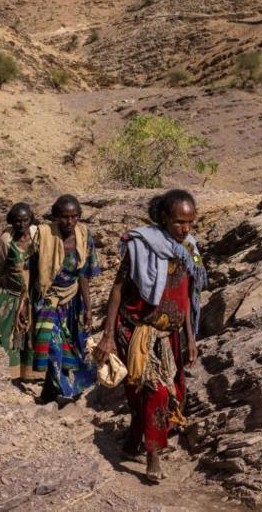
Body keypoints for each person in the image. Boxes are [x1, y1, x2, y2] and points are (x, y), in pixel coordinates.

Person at [95, 189, 207, 484]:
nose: (185, 229)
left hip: (170, 335)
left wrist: (191, 338)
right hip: (138, 332)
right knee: (152, 393)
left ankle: (133, 440)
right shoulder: (141, 245)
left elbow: (187, 296)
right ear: (163, 218)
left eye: (190, 223)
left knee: (171, 396)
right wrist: (107, 336)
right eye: (179, 223)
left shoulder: (189, 248)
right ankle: (153, 455)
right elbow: (118, 288)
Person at [31, 194, 101, 405]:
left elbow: (84, 275)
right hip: (47, 299)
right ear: (55, 217)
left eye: (74, 216)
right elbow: (31, 272)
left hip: (73, 299)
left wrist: (88, 308)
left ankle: (50, 391)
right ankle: (66, 391)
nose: (69, 222)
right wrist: (25, 305)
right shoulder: (43, 236)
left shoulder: (84, 235)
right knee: (52, 345)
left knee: (74, 346)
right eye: (64, 217)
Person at [0, 202, 38, 381]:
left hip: (34, 295)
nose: (21, 224)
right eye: (17, 221)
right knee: (10, 335)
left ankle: (33, 374)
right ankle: (13, 375)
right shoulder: (5, 241)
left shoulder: (37, 237)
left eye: (25, 220)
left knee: (33, 335)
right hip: (12, 296)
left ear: (30, 219)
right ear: (11, 221)